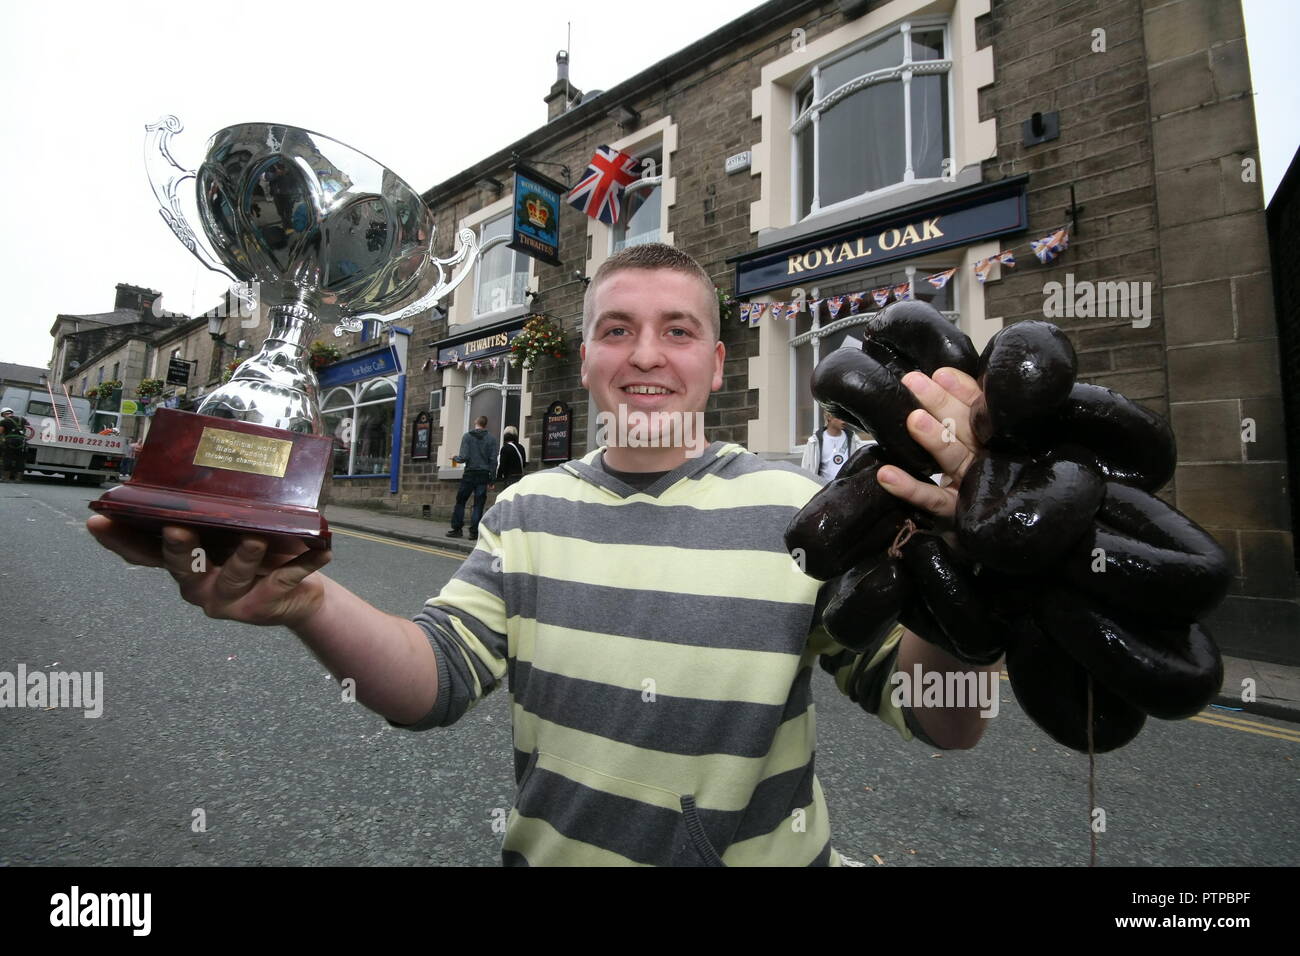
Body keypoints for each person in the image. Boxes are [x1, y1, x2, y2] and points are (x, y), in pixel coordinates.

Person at [86, 242, 997, 867]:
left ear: (718, 363)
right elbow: (433, 681)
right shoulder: (525, 511)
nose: (647, 354)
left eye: (678, 330)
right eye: (615, 330)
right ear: (591, 359)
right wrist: (304, 604)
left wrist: (971, 579)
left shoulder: (801, 510)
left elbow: (944, 719)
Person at [447, 416, 497, 540]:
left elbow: (463, 457)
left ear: (476, 422)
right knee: (479, 504)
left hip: (469, 473)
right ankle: (474, 533)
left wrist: (454, 458)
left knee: (461, 501)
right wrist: (492, 479)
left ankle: (457, 529)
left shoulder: (467, 437)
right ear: (485, 425)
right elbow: (493, 461)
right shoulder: (492, 439)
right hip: (483, 474)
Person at [799, 409, 870, 480]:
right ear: (829, 417)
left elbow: (860, 465)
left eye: (845, 417)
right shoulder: (814, 442)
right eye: (840, 417)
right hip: (824, 488)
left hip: (845, 488)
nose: (844, 421)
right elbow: (806, 470)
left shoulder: (853, 440)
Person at [1, 407, 29, 482]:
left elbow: (0, 432)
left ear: (4, 414)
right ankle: (18, 479)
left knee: (8, 458)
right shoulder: (22, 419)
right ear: (12, 413)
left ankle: (5, 478)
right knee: (20, 460)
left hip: (10, 442)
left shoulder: (4, 421)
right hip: (21, 442)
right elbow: (28, 428)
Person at [496, 425, 527, 490]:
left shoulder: (505, 448)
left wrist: (498, 477)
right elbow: (523, 464)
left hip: (510, 478)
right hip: (520, 478)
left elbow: (502, 465)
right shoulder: (521, 447)